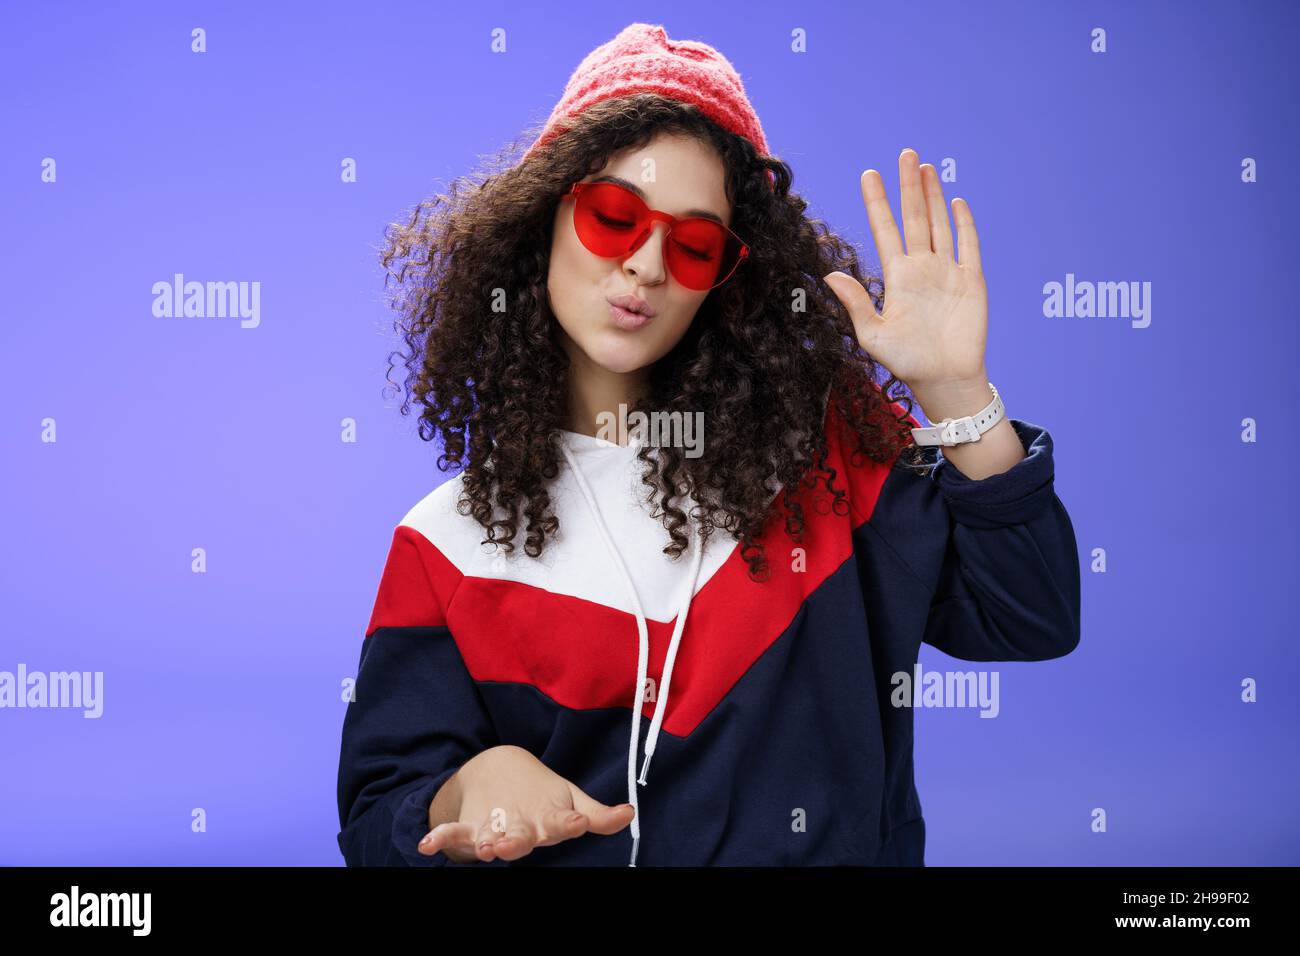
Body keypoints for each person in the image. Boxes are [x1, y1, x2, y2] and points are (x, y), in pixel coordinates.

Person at [335, 22, 1081, 867]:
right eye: (614, 217)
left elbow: (1030, 617)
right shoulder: (446, 545)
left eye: (694, 245)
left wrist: (956, 395)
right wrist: (469, 786)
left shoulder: (834, 470)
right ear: (543, 219)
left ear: (728, 282)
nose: (648, 266)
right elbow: (377, 816)